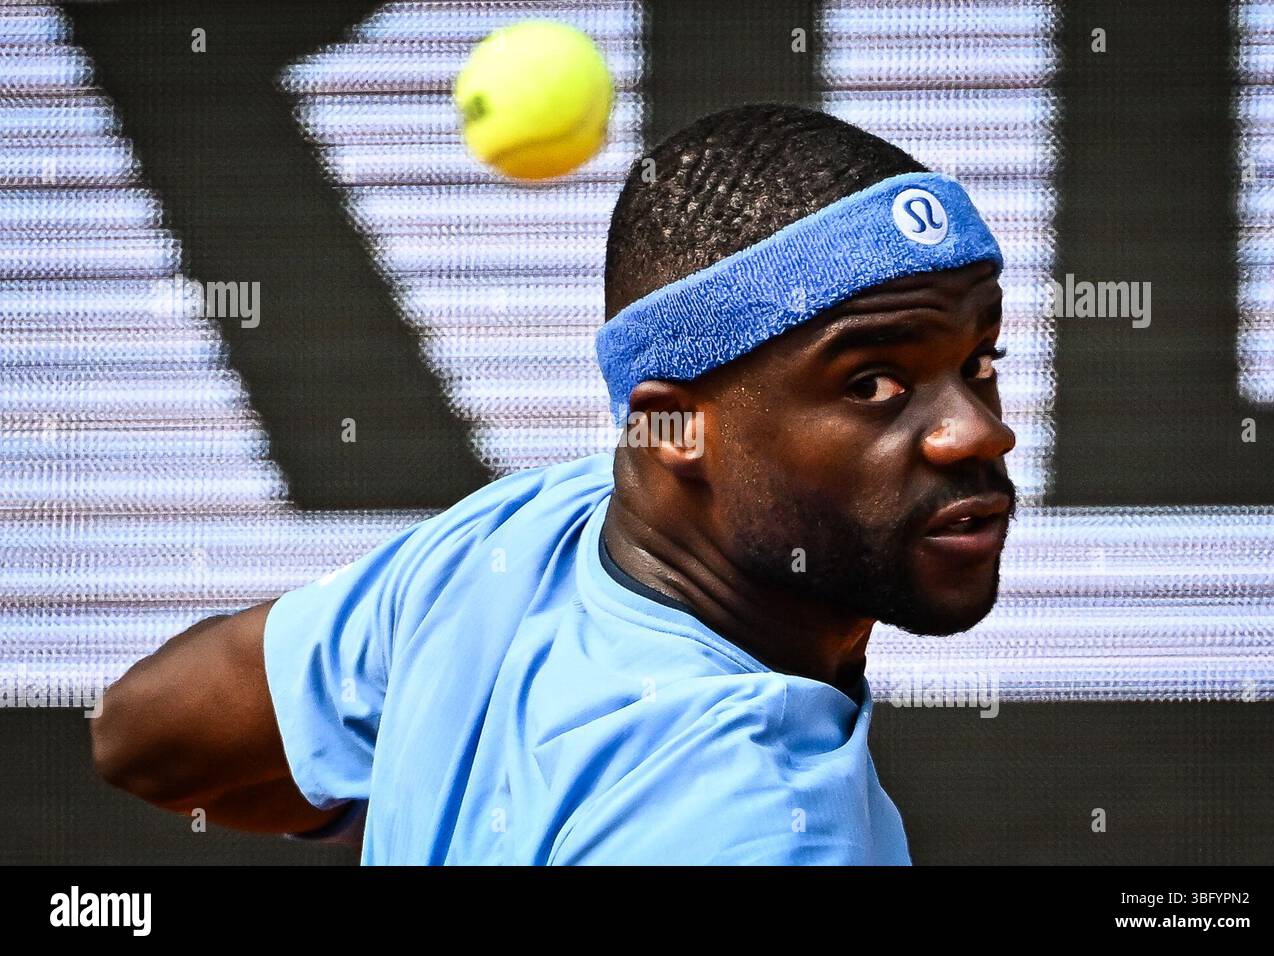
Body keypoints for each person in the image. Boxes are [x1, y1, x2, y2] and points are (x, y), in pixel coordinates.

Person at [91, 103, 1016, 864]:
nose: (980, 428)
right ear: (677, 427)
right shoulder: (758, 828)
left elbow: (142, 735)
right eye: (874, 385)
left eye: (980, 359)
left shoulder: (517, 535)